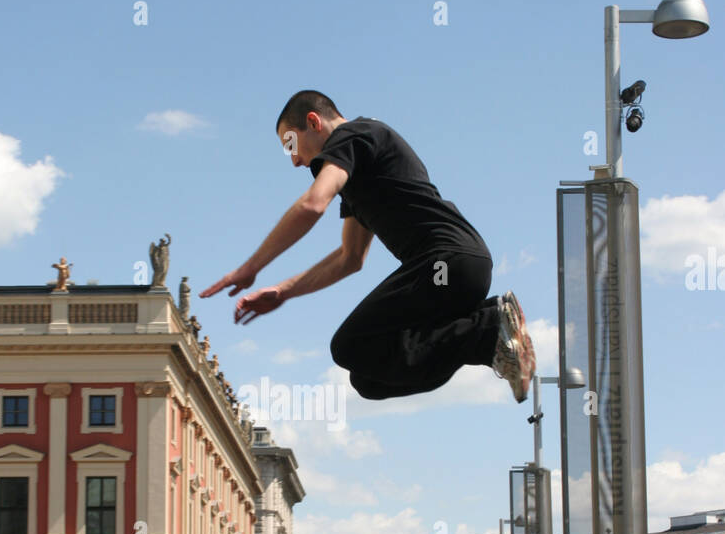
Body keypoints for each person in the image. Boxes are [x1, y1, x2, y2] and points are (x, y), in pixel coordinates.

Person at [199, 91, 535, 404]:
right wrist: (283, 291)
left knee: (349, 344)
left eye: (292, 145)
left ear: (314, 122)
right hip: (458, 270)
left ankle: (488, 329)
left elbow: (313, 204)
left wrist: (251, 267)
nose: (295, 161)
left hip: (446, 263)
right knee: (368, 378)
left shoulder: (353, 136)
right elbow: (350, 258)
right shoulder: (362, 171)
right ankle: (487, 328)